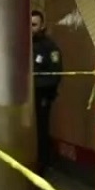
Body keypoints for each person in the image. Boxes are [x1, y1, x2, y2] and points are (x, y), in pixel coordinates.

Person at [31, 9, 62, 173]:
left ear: (42, 25)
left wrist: (36, 84)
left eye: (34, 24)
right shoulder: (23, 46)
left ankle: (42, 164)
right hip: (25, 98)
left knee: (41, 130)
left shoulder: (50, 48)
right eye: (29, 25)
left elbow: (56, 74)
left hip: (42, 96)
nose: (31, 28)